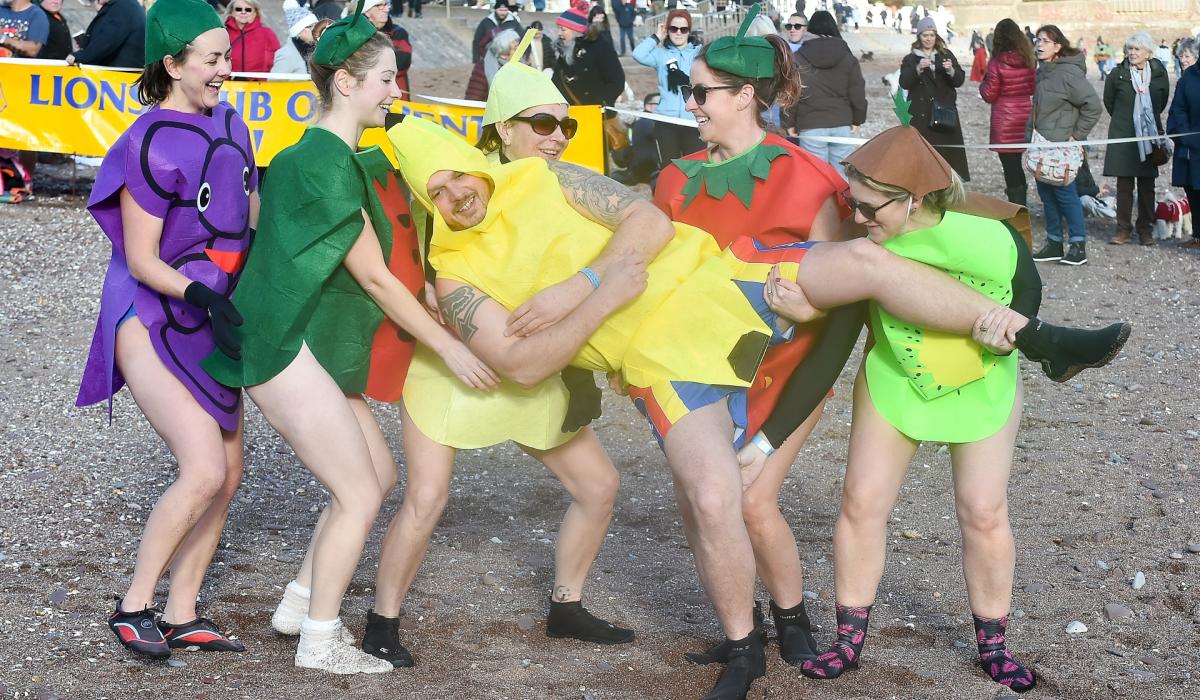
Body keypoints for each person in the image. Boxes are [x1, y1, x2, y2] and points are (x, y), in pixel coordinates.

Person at [389, 112, 1130, 700]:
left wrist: (577, 288)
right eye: (438, 192)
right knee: (717, 496)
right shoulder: (454, 275)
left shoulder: (540, 177)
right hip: (654, 360)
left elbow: (646, 219)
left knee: (867, 264)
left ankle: (1041, 341)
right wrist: (611, 293)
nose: (456, 195)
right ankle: (745, 651)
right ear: (426, 202)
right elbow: (521, 363)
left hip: (721, 277)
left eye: (459, 177)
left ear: (476, 160)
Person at [201, 4, 495, 674]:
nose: (396, 90)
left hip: (289, 336)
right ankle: (321, 640)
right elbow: (377, 279)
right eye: (387, 79)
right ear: (345, 83)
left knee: (377, 475)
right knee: (360, 492)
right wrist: (449, 346)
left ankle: (299, 601)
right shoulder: (330, 163)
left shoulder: (317, 152)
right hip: (279, 343)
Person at [366, 34, 635, 667]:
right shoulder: (443, 175)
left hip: (532, 363)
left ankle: (566, 605)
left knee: (598, 485)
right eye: (541, 123)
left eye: (565, 124)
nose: (557, 135)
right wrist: (423, 288)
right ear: (501, 130)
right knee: (426, 497)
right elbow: (386, 243)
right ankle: (381, 620)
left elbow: (612, 245)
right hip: (454, 363)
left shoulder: (556, 184)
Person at [797, 125, 1042, 696]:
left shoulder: (992, 235)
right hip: (895, 378)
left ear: (913, 198)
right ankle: (848, 641)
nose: (857, 217)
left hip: (980, 378)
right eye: (849, 202)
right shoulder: (869, 250)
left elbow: (1029, 301)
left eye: (868, 205)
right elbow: (836, 326)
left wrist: (1008, 333)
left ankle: (994, 646)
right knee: (861, 504)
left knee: (983, 511)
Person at [654, 4, 859, 671]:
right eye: (688, 89)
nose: (690, 102)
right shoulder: (674, 181)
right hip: (704, 368)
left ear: (745, 95)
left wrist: (802, 311)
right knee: (701, 498)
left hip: (788, 369)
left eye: (702, 91)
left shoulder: (810, 180)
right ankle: (739, 620)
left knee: (754, 499)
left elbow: (843, 292)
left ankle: (792, 618)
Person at [75, 0, 256, 660]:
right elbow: (144, 258)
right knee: (204, 468)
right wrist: (202, 293)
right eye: (210, 60)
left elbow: (246, 211)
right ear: (173, 64)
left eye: (227, 57)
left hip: (211, 312)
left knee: (230, 472)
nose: (224, 70)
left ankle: (183, 612)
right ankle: (133, 606)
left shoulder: (234, 121)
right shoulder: (148, 140)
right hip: (148, 313)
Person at [1028, 25, 1102, 266]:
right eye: (1037, 40)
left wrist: (1077, 135)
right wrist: (1029, 136)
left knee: (1065, 194)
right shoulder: (1043, 71)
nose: (1039, 45)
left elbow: (1093, 106)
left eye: (1045, 41)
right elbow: (1037, 108)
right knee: (1046, 194)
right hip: (1041, 143)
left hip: (1061, 145)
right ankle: (1054, 243)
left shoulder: (1069, 74)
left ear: (1057, 46)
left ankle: (1078, 245)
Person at [1103, 32, 1169, 246]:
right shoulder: (1117, 74)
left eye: (1137, 49)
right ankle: (1123, 228)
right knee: (1124, 185)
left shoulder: (1159, 75)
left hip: (1149, 135)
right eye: (1130, 49)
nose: (1132, 53)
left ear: (1148, 53)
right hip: (1123, 134)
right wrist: (1127, 121)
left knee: (1147, 185)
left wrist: (1146, 123)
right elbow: (1109, 102)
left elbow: (1162, 101)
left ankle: (1145, 229)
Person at [789, 10, 866, 176]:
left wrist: (789, 122)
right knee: (842, 178)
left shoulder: (797, 58)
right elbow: (857, 90)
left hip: (811, 124)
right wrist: (858, 119)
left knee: (816, 177)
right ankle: (842, 203)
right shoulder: (848, 57)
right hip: (842, 122)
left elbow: (792, 92)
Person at [900, 16, 970, 181]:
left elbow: (959, 80)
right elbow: (904, 83)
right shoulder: (910, 59)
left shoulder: (946, 55)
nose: (929, 39)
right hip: (921, 115)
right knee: (923, 158)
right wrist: (917, 69)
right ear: (919, 37)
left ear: (936, 36)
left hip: (944, 115)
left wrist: (951, 70)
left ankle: (948, 188)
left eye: (932, 35)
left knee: (947, 158)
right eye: (925, 35)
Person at [632, 8, 701, 164]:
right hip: (665, 121)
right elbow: (638, 54)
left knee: (695, 168)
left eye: (683, 29)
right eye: (673, 28)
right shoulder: (660, 54)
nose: (678, 33)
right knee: (668, 169)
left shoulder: (698, 53)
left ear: (689, 31)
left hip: (693, 120)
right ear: (667, 30)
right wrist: (656, 37)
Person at [979, 18, 1035, 207]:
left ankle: (1017, 207)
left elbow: (989, 94)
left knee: (1010, 166)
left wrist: (983, 84)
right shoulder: (1029, 59)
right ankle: (1023, 202)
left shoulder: (996, 63)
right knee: (1019, 163)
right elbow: (1033, 87)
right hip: (1025, 114)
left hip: (1005, 118)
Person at [553, 1, 624, 110]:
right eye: (559, 29)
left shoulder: (600, 46)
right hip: (570, 114)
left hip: (596, 112)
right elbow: (557, 82)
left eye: (563, 29)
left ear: (576, 30)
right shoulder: (564, 51)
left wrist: (601, 103)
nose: (559, 33)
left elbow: (617, 80)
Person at [1168, 37, 1200, 249]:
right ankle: (1198, 235)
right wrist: (1187, 136)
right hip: (1192, 147)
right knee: (1194, 191)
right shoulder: (1188, 78)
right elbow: (1178, 109)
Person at [364, 0, 413, 97]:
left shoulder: (398, 33)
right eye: (379, 6)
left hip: (396, 101)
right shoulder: (355, 36)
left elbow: (403, 62)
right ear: (367, 12)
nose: (386, 9)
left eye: (386, 5)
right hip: (365, 99)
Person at [612, 92, 661, 185]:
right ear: (648, 106)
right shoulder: (647, 122)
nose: (663, 106)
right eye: (659, 104)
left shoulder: (643, 121)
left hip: (641, 168)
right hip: (648, 170)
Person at [465, 27, 518, 100]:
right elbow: (472, 100)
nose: (519, 50)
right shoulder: (483, 69)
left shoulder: (519, 66)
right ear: (503, 55)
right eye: (515, 48)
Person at [273, 0, 321, 74]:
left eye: (316, 25)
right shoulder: (286, 54)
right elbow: (273, 83)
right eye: (310, 26)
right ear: (298, 31)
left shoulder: (314, 49)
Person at [472, 0, 520, 65]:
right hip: (488, 58)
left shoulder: (514, 23)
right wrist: (476, 59)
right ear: (495, 10)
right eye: (500, 10)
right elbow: (477, 41)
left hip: (508, 59)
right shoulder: (486, 22)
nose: (503, 13)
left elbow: (521, 39)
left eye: (505, 10)